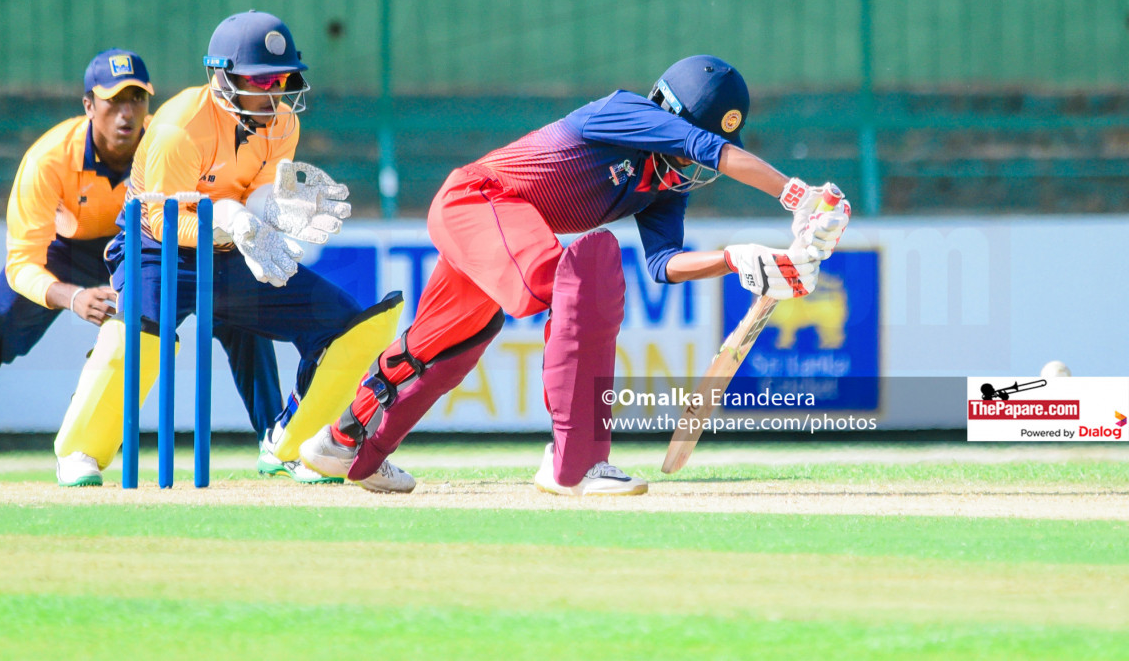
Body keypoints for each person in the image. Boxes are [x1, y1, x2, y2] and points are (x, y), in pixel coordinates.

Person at [300, 54, 851, 495]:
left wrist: (733, 259)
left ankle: (344, 441)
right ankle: (574, 463)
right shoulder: (622, 111)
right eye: (699, 148)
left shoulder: (664, 185)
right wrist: (798, 195)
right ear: (670, 114)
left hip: (496, 222)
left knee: (447, 346)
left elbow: (663, 266)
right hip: (479, 200)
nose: (695, 167)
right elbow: (702, 145)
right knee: (578, 281)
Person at [0, 49, 286, 487]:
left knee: (235, 304)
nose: (127, 114)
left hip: (150, 243)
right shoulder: (49, 160)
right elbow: (22, 263)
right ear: (88, 106)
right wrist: (72, 296)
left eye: (137, 100)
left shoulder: (169, 138)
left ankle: (274, 437)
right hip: (68, 250)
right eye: (114, 101)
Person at [51, 11, 404, 487]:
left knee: (342, 325)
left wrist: (272, 211)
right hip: (156, 250)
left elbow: (255, 193)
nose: (275, 91)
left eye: (282, 78)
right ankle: (81, 450)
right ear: (223, 76)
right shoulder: (180, 128)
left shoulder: (281, 123)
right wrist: (232, 226)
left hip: (232, 248)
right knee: (139, 334)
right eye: (262, 81)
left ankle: (293, 444)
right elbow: (159, 218)